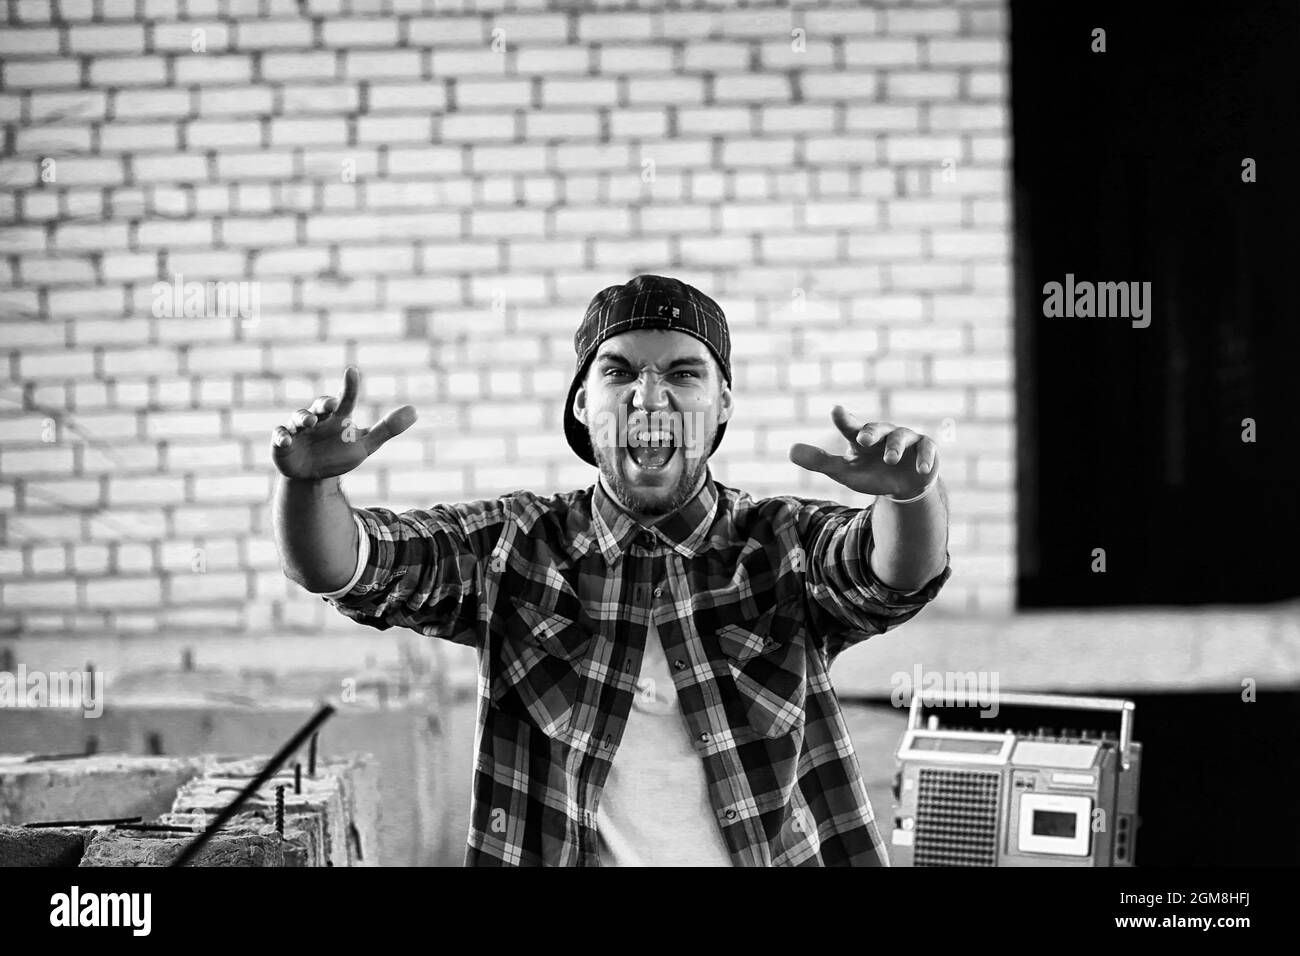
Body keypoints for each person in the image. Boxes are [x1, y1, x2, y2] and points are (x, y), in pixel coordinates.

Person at [271, 274, 951, 866]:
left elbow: (891, 573)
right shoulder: (513, 545)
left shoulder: (781, 545)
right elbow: (345, 565)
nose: (649, 398)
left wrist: (910, 496)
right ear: (581, 403)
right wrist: (309, 486)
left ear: (722, 405)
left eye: (683, 374)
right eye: (619, 372)